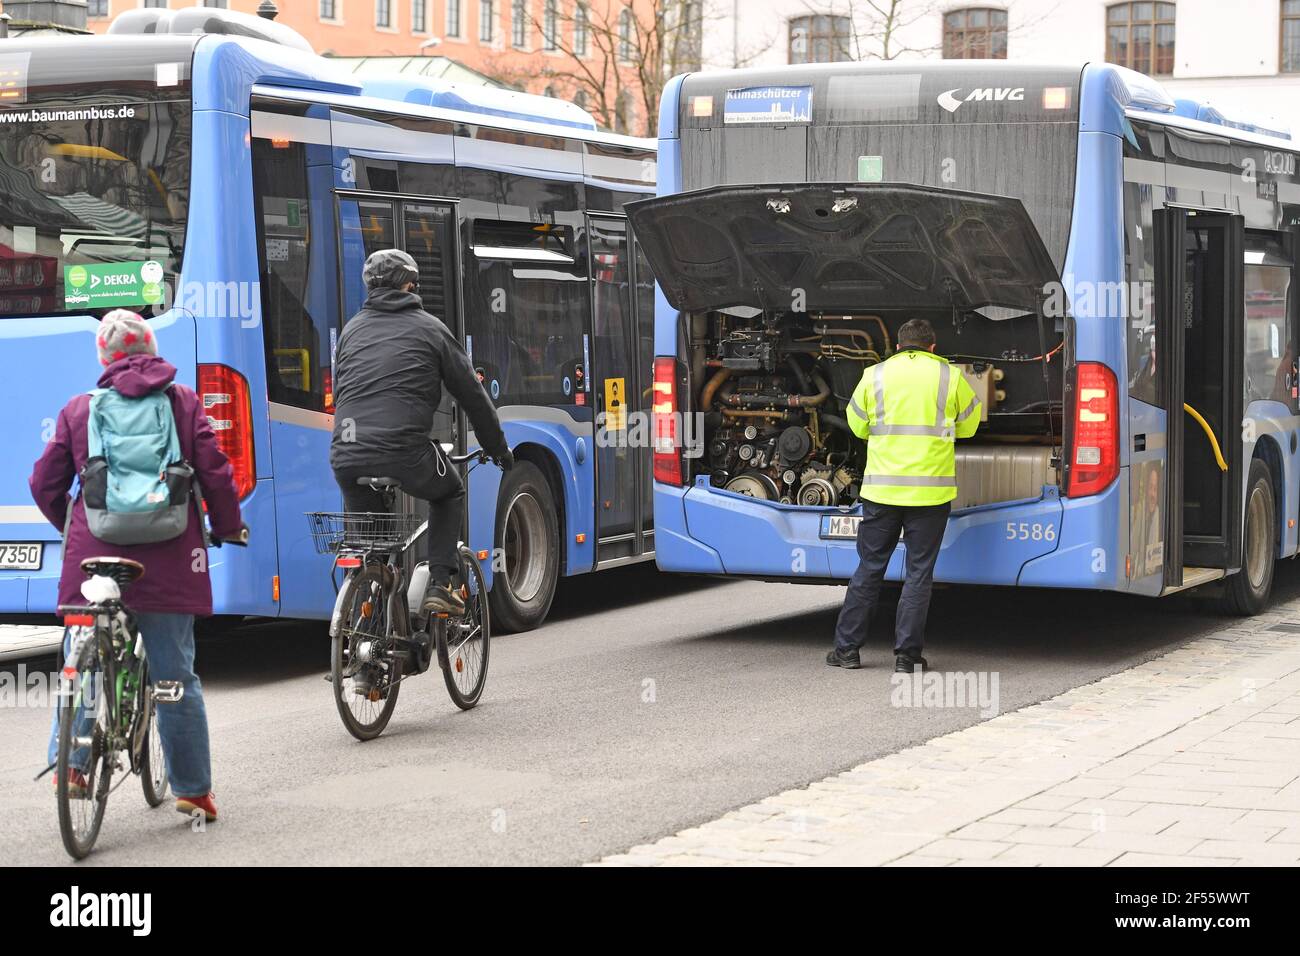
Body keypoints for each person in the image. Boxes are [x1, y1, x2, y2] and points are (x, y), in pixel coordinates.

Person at [30, 309, 245, 822]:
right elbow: (215, 472)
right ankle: (192, 790)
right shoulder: (183, 403)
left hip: (93, 556)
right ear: (151, 349)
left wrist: (73, 522)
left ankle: (73, 765)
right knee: (176, 678)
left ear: (104, 358)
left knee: (78, 664)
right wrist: (229, 524)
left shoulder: (80, 409)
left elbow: (44, 483)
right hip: (169, 557)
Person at [330, 249, 513, 616]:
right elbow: (473, 397)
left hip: (346, 455)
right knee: (450, 492)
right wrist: (499, 449)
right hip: (404, 452)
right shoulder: (430, 328)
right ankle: (441, 584)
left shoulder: (350, 331)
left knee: (374, 544)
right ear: (410, 285)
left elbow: (343, 389)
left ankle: (370, 631)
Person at [825, 318, 981, 673]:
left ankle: (847, 650)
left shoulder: (875, 375)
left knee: (870, 567)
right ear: (932, 347)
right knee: (919, 573)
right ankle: (907, 657)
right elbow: (971, 424)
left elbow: (857, 425)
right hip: (930, 493)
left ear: (897, 346)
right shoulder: (949, 376)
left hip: (881, 491)